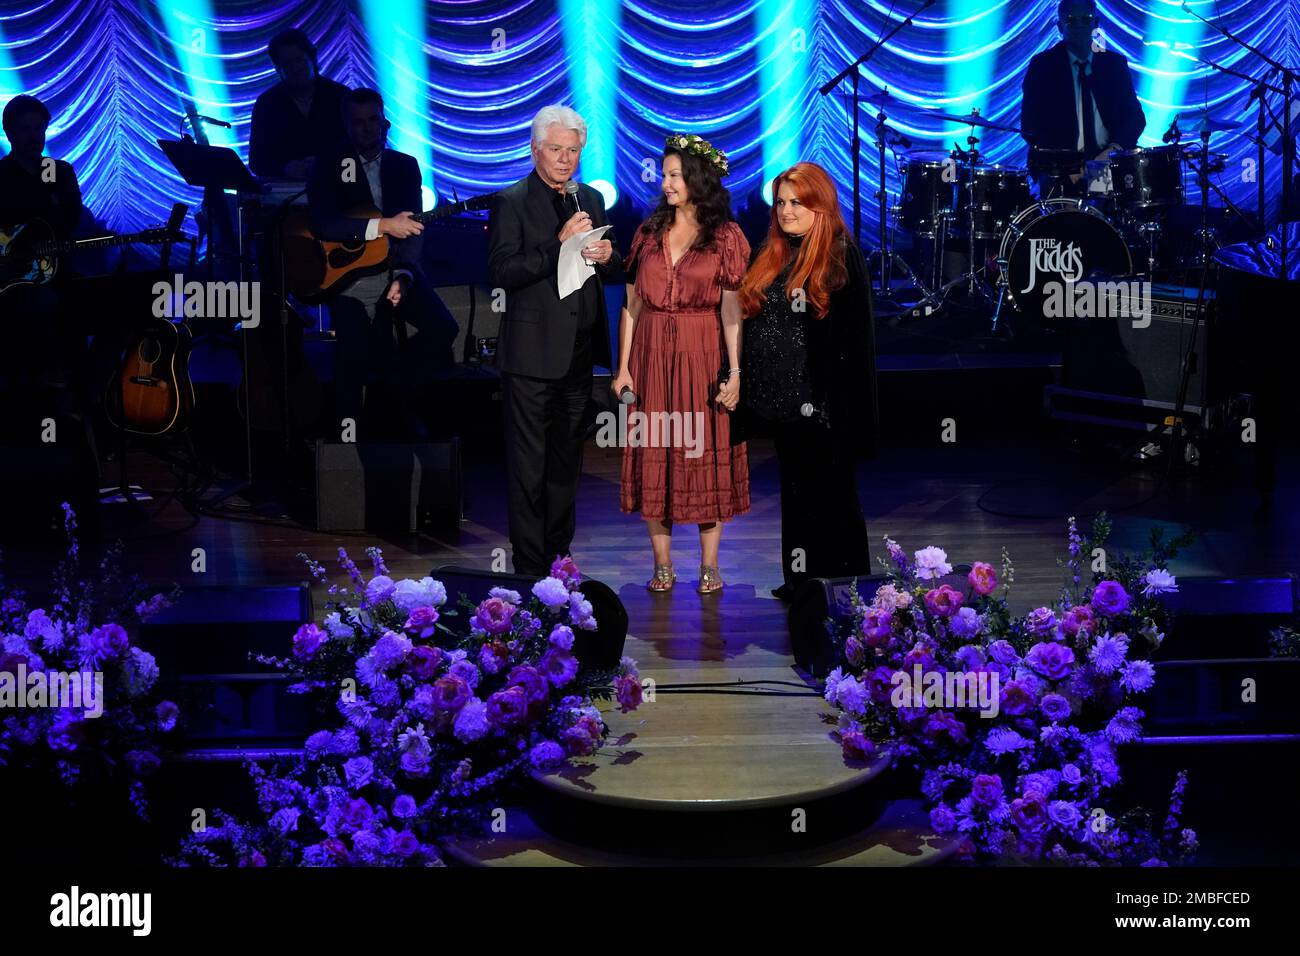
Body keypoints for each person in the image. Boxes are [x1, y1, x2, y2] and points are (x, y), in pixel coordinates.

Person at [613, 133, 750, 594]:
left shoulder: (726, 237)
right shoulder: (648, 233)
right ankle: (663, 564)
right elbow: (631, 305)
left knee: (702, 457)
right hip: (651, 360)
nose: (665, 183)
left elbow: (731, 311)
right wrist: (624, 367)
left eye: (674, 175)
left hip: (702, 356)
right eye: (665, 175)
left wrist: (735, 371)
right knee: (657, 455)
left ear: (696, 180)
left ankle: (709, 565)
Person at [488, 106, 619, 579]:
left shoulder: (590, 199)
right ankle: (528, 567)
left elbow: (613, 264)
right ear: (535, 149)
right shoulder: (513, 200)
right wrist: (556, 245)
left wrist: (608, 255)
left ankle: (560, 558)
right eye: (556, 150)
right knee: (529, 466)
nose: (566, 159)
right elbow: (501, 272)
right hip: (530, 356)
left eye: (573, 151)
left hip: (579, 353)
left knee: (567, 464)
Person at [736, 162, 875, 600]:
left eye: (797, 202)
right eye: (781, 203)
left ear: (820, 204)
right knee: (796, 495)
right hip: (782, 402)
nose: (786, 211)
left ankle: (844, 586)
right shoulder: (774, 252)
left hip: (822, 404)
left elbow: (854, 343)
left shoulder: (839, 253)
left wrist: (838, 408)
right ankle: (801, 581)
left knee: (834, 498)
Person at [308, 87, 456, 439]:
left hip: (396, 266)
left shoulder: (403, 166)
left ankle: (395, 392)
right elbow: (324, 224)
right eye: (357, 123)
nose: (365, 129)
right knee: (354, 357)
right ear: (346, 125)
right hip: (349, 277)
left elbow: (414, 227)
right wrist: (381, 226)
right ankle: (348, 443)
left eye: (372, 121)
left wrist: (403, 275)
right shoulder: (329, 163)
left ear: (385, 123)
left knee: (443, 329)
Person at [1020, 0, 1145, 195]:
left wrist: (1111, 151)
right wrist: (1068, 166)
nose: (1078, 26)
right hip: (1058, 168)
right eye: (1071, 20)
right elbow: (1030, 127)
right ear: (1060, 27)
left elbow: (1135, 119)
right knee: (1062, 217)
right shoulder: (1043, 66)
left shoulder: (1113, 64)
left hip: (1108, 161)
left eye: (1085, 19)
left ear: (1096, 23)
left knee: (1110, 211)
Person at [250, 29, 349, 180]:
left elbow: (357, 151)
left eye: (299, 60)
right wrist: (283, 169)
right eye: (287, 63)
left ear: (313, 59)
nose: (295, 68)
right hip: (284, 195)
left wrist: (326, 165)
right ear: (277, 68)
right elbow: (256, 161)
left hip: (337, 190)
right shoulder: (267, 104)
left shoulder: (341, 96)